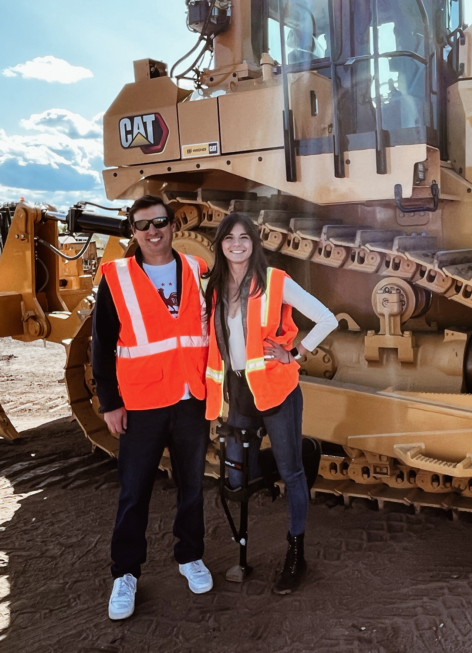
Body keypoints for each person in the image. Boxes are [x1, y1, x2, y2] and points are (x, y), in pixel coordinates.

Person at [92, 195, 214, 620]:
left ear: (173, 225)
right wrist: (109, 402)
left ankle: (190, 556)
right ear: (133, 231)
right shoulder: (117, 277)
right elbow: (103, 344)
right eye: (143, 225)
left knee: (192, 486)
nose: (153, 230)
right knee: (134, 491)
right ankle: (125, 573)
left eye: (160, 221)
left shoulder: (197, 270)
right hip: (142, 403)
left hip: (190, 400)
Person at [202, 213, 338, 594]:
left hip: (277, 390)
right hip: (240, 392)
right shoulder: (214, 287)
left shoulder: (275, 281)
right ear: (221, 244)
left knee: (291, 473)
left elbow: (327, 319)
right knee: (234, 477)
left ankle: (297, 554)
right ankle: (299, 452)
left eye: (245, 237)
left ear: (254, 243)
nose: (237, 244)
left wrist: (294, 353)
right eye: (229, 238)